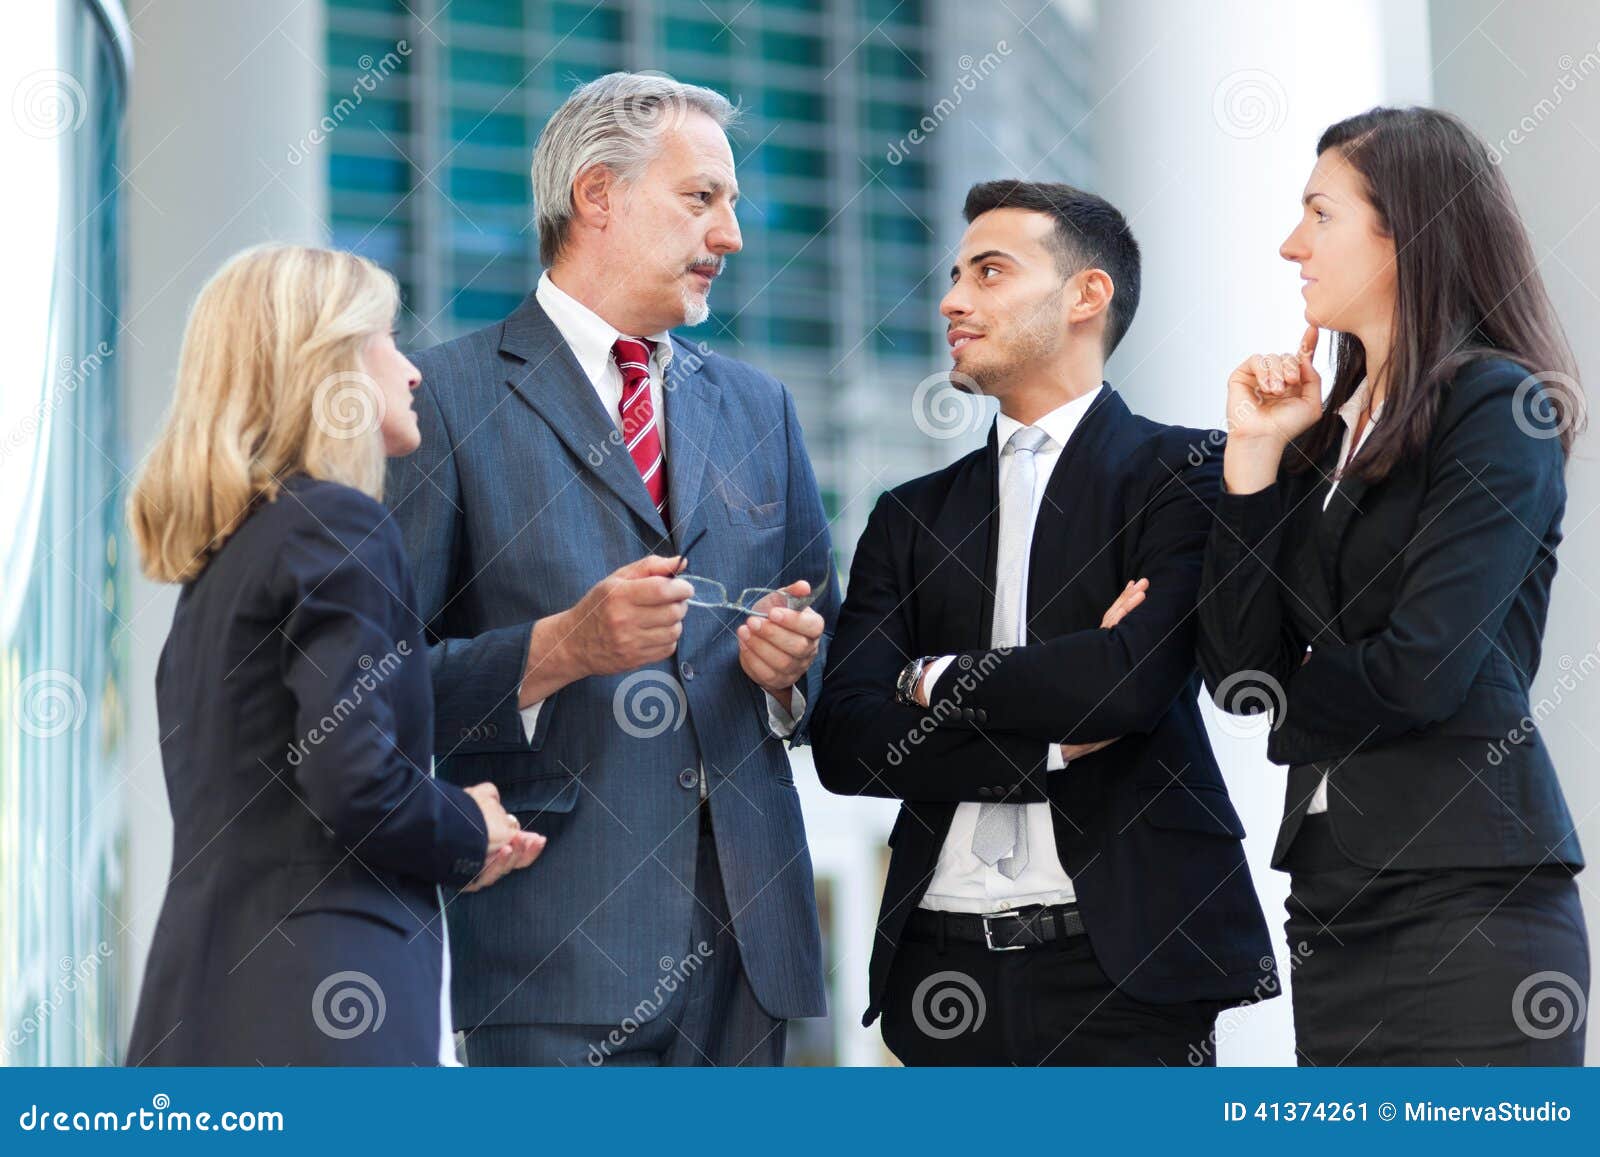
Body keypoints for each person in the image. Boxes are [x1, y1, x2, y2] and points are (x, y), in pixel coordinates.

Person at [385, 72, 838, 1066]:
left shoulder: (760, 408)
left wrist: (789, 668)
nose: (732, 236)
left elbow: (829, 649)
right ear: (598, 195)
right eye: (702, 198)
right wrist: (555, 649)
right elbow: (376, 689)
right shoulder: (442, 399)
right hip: (556, 952)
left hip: (749, 953)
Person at [810, 181, 1275, 1066]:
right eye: (954, 275)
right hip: (943, 975)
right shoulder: (909, 517)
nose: (952, 299)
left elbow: (1128, 686)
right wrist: (1051, 746)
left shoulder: (1185, 472)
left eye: (989, 272)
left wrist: (935, 678)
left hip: (1125, 970)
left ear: (1085, 296)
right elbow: (847, 739)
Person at [1199, 106, 1590, 1065]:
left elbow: (1424, 670)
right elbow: (1236, 670)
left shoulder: (1498, 405)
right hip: (1333, 905)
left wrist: (1291, 698)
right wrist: (1253, 453)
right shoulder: (1322, 438)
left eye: (1320, 214)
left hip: (1466, 903)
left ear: (1408, 226)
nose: (1293, 243)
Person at [125, 244, 543, 1066]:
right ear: (334, 366)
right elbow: (355, 782)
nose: (412, 370)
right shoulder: (339, 526)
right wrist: (470, 825)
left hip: (198, 1012)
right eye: (388, 338)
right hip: (320, 1018)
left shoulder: (222, 569)